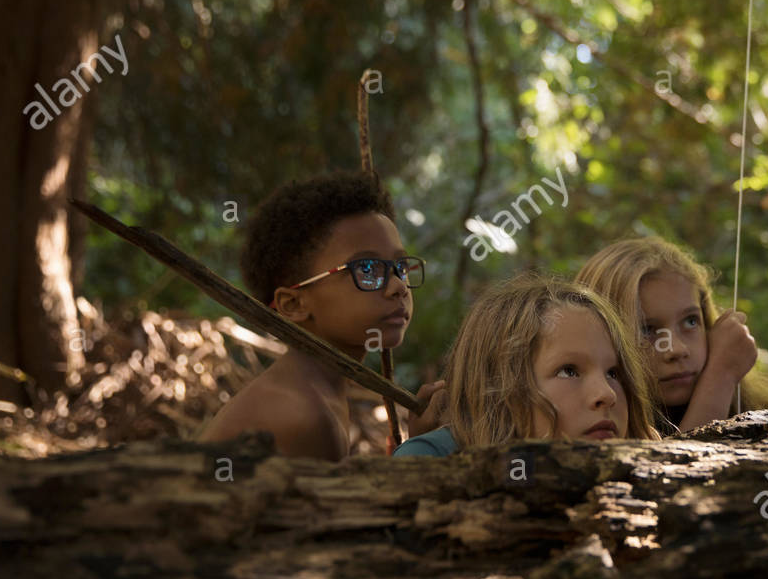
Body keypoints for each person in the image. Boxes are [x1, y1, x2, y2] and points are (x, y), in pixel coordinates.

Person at [199, 171, 424, 460]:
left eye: (400, 267)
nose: (398, 286)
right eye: (367, 269)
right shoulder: (302, 415)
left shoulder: (318, 391)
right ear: (293, 304)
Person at [576, 237, 768, 433]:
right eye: (646, 329)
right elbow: (677, 481)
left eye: (691, 321)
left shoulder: (753, 408)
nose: (676, 349)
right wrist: (720, 376)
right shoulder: (599, 427)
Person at [395, 275, 659, 456]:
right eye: (569, 371)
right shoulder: (429, 462)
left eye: (613, 373)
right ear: (496, 388)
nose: (607, 394)